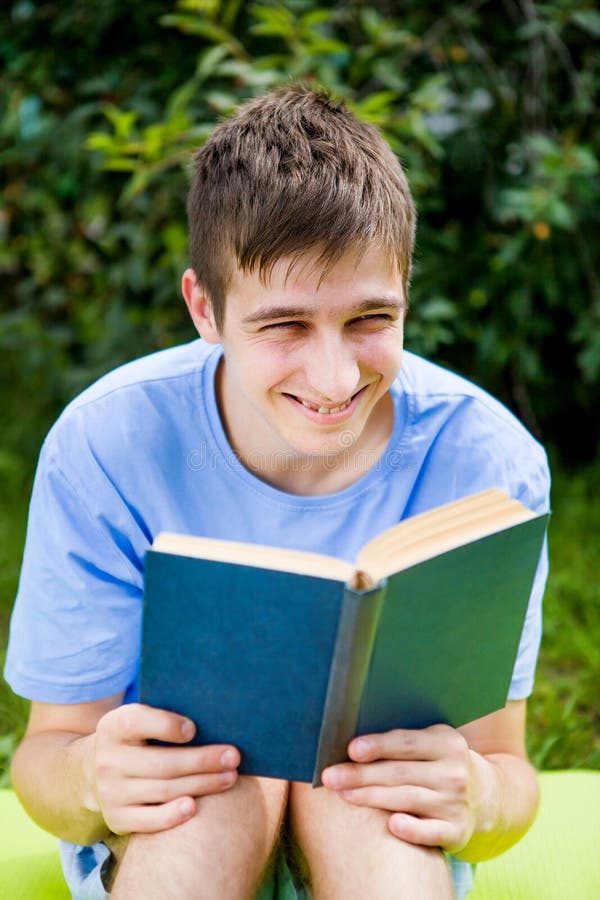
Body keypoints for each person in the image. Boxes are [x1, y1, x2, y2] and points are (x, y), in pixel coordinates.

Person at [5, 84, 549, 900]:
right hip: (178, 818)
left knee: (358, 795)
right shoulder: (105, 446)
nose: (334, 378)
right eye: (285, 325)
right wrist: (88, 779)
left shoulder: (487, 461)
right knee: (216, 798)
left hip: (380, 820)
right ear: (206, 309)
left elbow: (507, 769)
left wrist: (480, 798)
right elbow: (46, 761)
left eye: (371, 319)